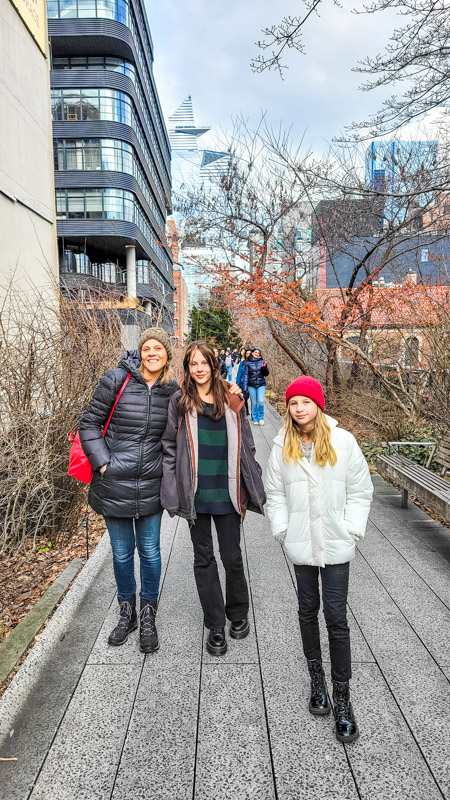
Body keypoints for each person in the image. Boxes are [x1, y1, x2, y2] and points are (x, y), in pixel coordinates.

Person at [265, 376, 373, 743]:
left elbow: (361, 490)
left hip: (336, 542)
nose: (298, 409)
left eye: (305, 402)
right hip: (301, 542)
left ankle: (343, 698)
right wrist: (282, 529)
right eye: (293, 403)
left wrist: (351, 529)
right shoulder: (282, 444)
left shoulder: (344, 442)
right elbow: (274, 492)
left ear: (318, 405)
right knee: (307, 610)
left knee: (337, 618)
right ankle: (317, 680)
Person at [161, 341, 266, 656]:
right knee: (203, 559)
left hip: (228, 490)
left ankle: (238, 614)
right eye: (193, 363)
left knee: (232, 556)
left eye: (203, 362)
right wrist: (171, 484)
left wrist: (253, 477)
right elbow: (169, 445)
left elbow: (247, 444)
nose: (199, 368)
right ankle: (216, 624)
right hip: (196, 492)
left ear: (213, 364)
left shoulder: (232, 397)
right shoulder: (179, 400)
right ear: (188, 368)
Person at [79, 328, 179, 654]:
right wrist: (103, 462)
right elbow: (89, 423)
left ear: (166, 355)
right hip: (114, 483)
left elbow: (200, 412)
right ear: (140, 351)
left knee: (150, 552)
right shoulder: (116, 379)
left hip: (151, 484)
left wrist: (234, 393)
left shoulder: (172, 391)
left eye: (158, 348)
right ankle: (128, 612)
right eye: (147, 347)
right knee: (121, 553)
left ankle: (148, 614)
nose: (152, 353)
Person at [243, 346, 269, 426]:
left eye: (258, 353)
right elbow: (246, 375)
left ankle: (261, 418)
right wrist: (245, 387)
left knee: (261, 401)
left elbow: (266, 374)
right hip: (251, 385)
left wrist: (264, 368)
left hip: (261, 384)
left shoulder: (262, 362)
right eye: (255, 352)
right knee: (254, 402)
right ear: (252, 353)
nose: (257, 354)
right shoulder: (247, 363)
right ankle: (255, 418)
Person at [236, 347, 249, 416]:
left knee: (253, 401)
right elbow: (239, 373)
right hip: (242, 382)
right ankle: (245, 411)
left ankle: (251, 413)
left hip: (251, 384)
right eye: (247, 353)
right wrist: (237, 384)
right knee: (244, 398)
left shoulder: (253, 362)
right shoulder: (242, 363)